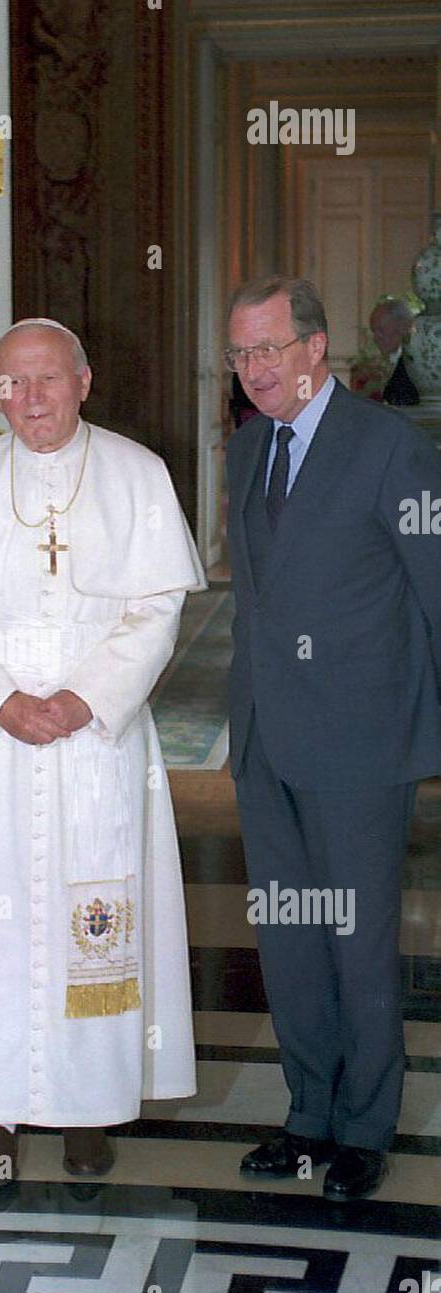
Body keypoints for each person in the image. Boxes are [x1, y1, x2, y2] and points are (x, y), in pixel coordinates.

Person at [0, 318, 205, 1186]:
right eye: (9, 384)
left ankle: (89, 1106)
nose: (29, 400)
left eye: (46, 381)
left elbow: (155, 610)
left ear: (82, 381)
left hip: (93, 739)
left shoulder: (137, 476)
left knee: (92, 924)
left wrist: (81, 697)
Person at [224, 275, 440, 1201]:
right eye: (239, 354)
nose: (253, 370)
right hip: (265, 738)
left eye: (269, 349)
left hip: (360, 743)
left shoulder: (389, 447)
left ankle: (364, 1126)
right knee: (291, 941)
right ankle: (307, 1113)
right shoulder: (242, 452)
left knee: (357, 942)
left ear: (315, 348)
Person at [369, 296, 420, 407]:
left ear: (403, 327)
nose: (376, 337)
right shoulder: (376, 366)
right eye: (374, 331)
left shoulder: (417, 362)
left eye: (381, 330)